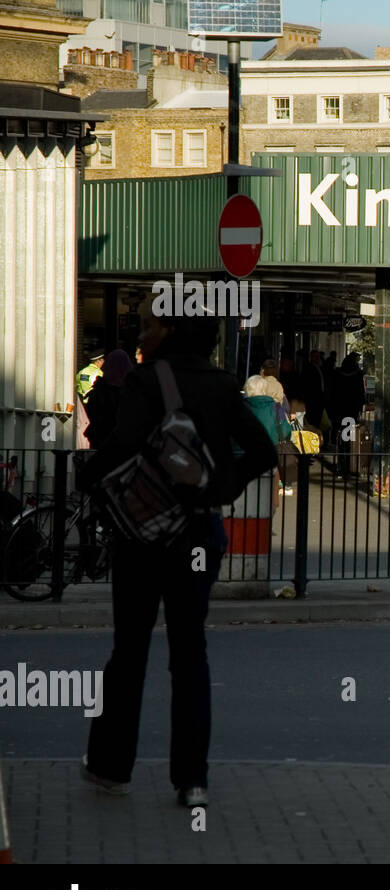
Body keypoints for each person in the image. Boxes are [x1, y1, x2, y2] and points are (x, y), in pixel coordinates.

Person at [77, 312, 277, 809]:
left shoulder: (147, 382)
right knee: (190, 655)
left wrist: (88, 478)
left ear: (169, 334)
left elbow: (120, 445)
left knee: (130, 652)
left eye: (150, 325)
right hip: (198, 534)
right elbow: (262, 450)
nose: (142, 333)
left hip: (144, 534)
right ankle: (192, 781)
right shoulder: (223, 385)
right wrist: (223, 485)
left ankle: (111, 768)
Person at [84, 350, 132, 450]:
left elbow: (90, 411)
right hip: (124, 442)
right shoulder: (131, 391)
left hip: (100, 439)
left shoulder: (99, 389)